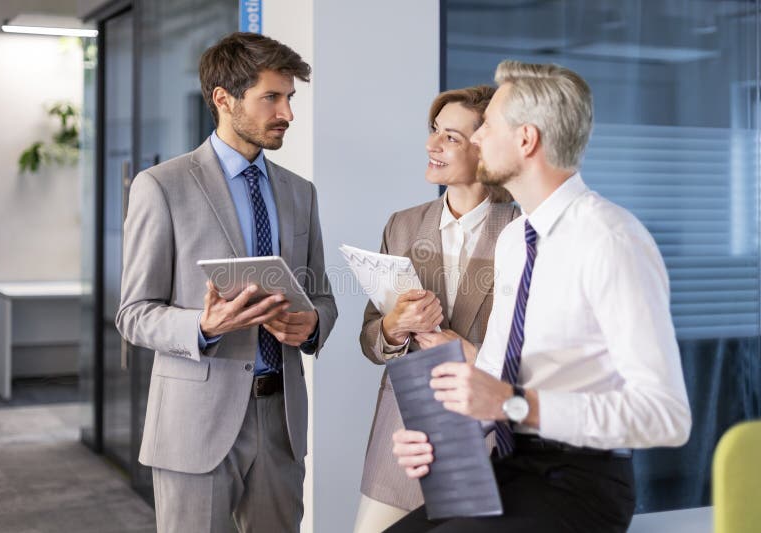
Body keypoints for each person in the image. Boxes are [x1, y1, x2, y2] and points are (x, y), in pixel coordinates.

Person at [388, 60, 692, 533]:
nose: (477, 138)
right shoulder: (515, 241)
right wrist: (439, 435)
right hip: (509, 467)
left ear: (526, 140)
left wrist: (514, 404)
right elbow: (491, 379)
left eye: (487, 125)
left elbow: (666, 416)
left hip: (581, 484)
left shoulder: (611, 239)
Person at [115, 32, 337, 533]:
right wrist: (204, 325)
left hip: (279, 419)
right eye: (271, 98)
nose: (287, 113)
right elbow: (133, 313)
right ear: (224, 99)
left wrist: (313, 323)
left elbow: (321, 291)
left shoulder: (300, 193)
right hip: (196, 422)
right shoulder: (161, 186)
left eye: (290, 98)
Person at [354, 85, 519, 533]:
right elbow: (371, 338)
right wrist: (392, 327)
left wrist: (461, 348)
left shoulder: (521, 233)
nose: (431, 145)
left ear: (483, 147)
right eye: (433, 131)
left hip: (483, 438)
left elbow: (531, 352)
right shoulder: (403, 225)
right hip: (403, 432)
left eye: (451, 137)